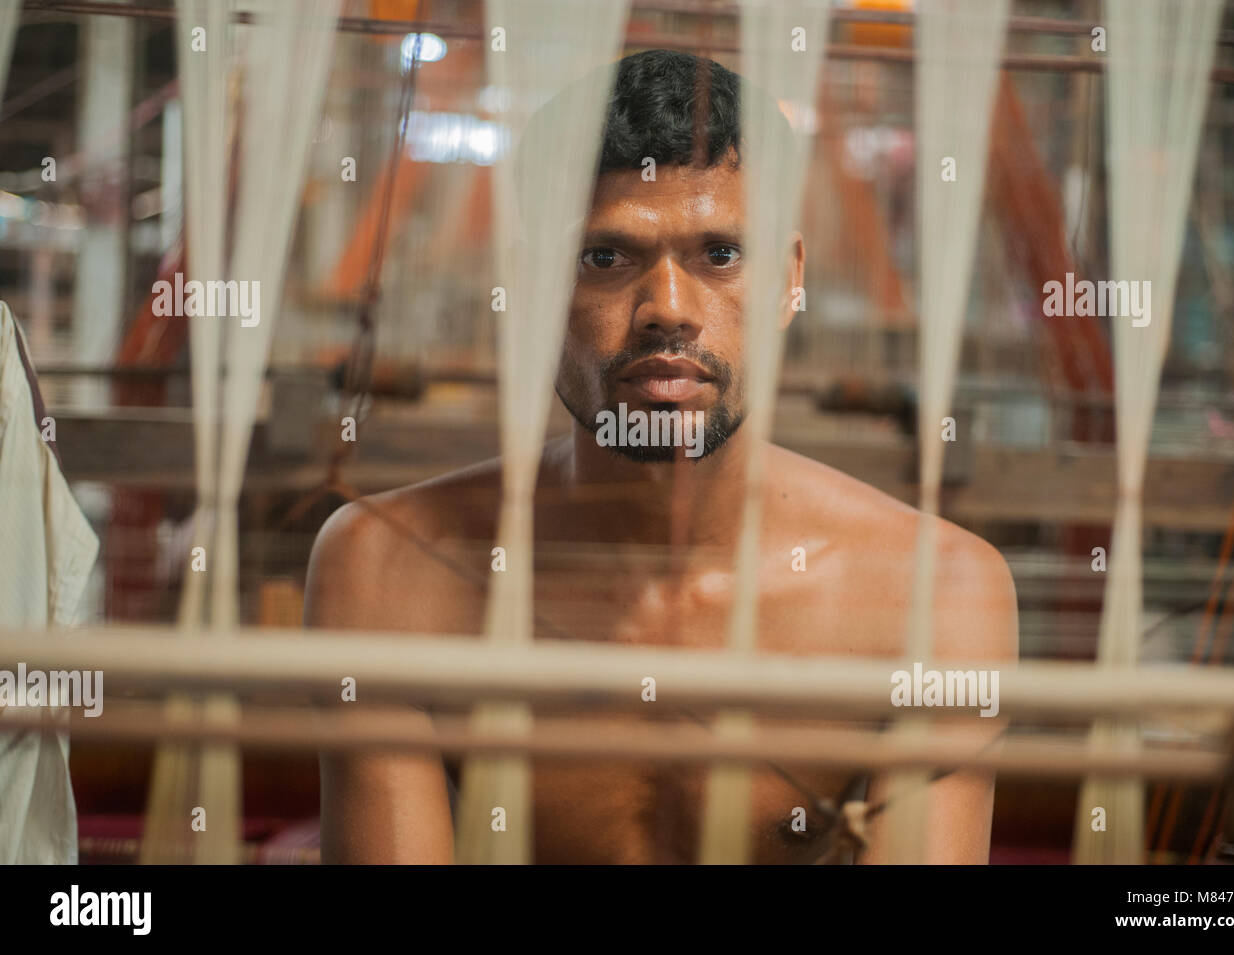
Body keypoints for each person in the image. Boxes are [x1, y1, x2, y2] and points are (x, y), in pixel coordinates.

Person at [306, 49, 1017, 864]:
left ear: (790, 280)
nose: (668, 310)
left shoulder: (940, 590)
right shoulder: (387, 566)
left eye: (720, 254)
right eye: (605, 257)